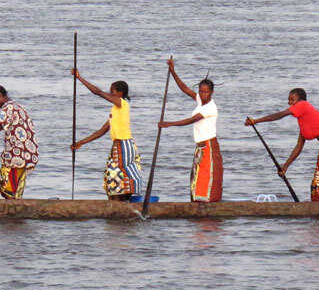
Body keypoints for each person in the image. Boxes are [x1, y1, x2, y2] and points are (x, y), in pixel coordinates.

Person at [245, 88, 319, 203]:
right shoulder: (304, 120)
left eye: (292, 99)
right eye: (288, 100)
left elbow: (280, 115)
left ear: (299, 99)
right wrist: (285, 167)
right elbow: (298, 147)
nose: (289, 103)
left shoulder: (302, 105)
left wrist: (256, 121)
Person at [71, 69, 144, 200]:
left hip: (124, 145)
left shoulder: (123, 103)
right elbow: (101, 131)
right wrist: (81, 143)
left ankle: (124, 202)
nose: (110, 94)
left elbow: (98, 92)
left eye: (113, 91)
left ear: (120, 93)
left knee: (116, 174)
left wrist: (79, 78)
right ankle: (119, 202)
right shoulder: (115, 110)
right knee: (112, 175)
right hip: (118, 145)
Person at [157, 58, 222, 202]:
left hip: (209, 146)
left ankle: (207, 205)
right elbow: (185, 88)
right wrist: (173, 72)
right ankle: (198, 204)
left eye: (206, 92)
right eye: (201, 91)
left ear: (211, 92)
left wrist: (170, 124)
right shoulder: (200, 100)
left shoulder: (211, 108)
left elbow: (191, 120)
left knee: (206, 177)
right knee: (197, 176)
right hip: (200, 147)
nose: (203, 94)